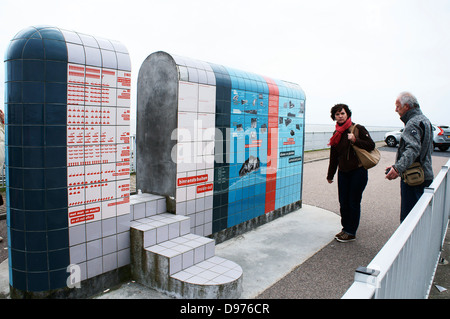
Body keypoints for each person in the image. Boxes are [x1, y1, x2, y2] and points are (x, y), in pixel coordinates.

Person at [327, 104, 375, 242]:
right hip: (343, 172)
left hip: (358, 172)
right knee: (343, 202)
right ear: (334, 117)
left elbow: (371, 145)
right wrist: (330, 175)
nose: (340, 116)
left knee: (353, 201)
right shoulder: (336, 134)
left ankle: (351, 231)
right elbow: (334, 157)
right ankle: (345, 228)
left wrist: (355, 140)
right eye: (337, 114)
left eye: (342, 113)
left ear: (347, 114)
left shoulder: (358, 128)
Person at [385, 92, 433, 222]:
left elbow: (413, 149)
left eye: (398, 106)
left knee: (409, 220)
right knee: (421, 218)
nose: (396, 109)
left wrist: (398, 168)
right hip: (425, 175)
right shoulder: (425, 120)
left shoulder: (412, 123)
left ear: (406, 106)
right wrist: (397, 165)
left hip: (415, 179)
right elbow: (425, 150)